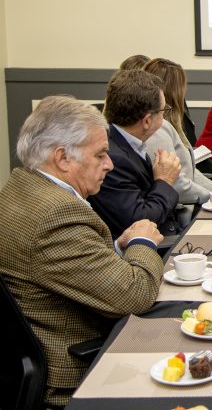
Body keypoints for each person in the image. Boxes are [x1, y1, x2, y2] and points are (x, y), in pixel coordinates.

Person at [0, 96, 164, 407]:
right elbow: (135, 295)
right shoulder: (56, 215)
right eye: (101, 154)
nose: (110, 164)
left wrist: (116, 248)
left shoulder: (19, 186)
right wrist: (143, 243)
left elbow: (62, 265)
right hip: (75, 371)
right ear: (63, 158)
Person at [88, 70, 183, 239]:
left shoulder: (127, 142)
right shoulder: (112, 159)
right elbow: (140, 221)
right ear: (147, 121)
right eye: (163, 111)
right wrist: (164, 181)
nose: (164, 116)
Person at [144, 58, 212, 204]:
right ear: (174, 90)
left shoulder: (172, 121)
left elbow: (188, 171)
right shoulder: (158, 129)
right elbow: (176, 183)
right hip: (181, 213)